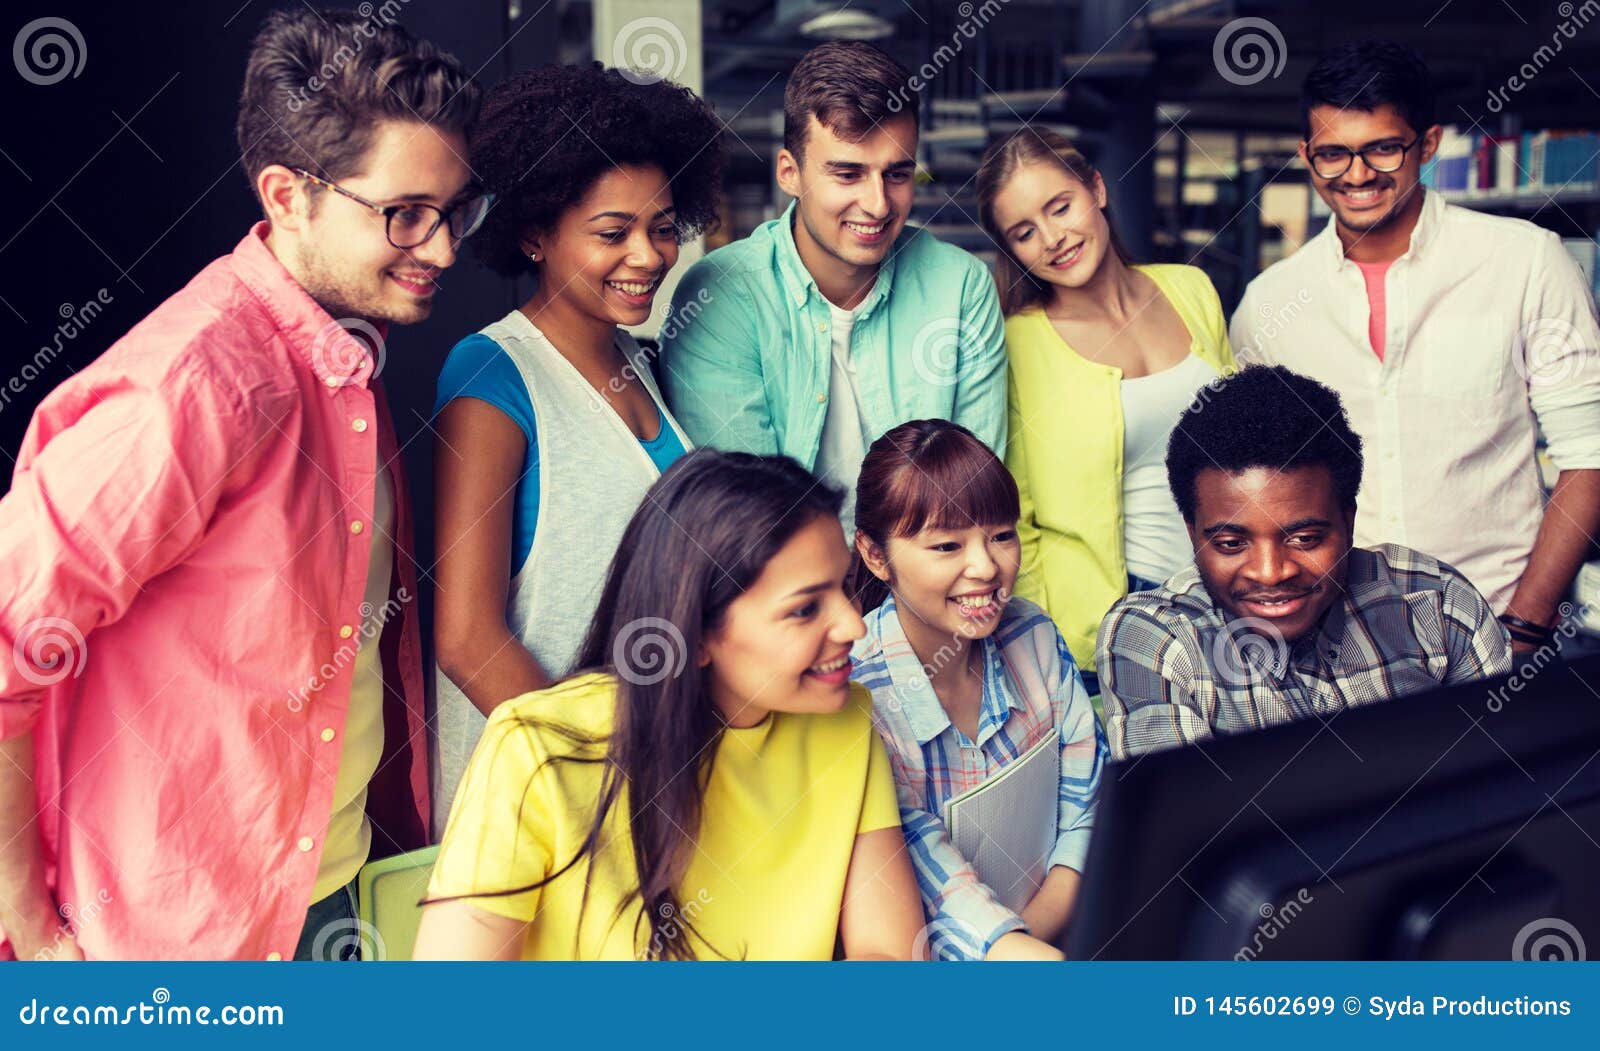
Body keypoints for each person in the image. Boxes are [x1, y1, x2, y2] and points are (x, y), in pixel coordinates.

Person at [0, 9, 485, 960]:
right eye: (404, 215)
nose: (443, 249)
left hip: (327, 899)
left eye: (457, 210)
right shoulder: (194, 383)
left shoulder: (343, 361)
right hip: (165, 946)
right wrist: (28, 927)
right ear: (287, 195)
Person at [414, 450, 925, 960]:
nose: (854, 626)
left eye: (844, 587)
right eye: (805, 609)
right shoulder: (535, 747)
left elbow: (889, 954)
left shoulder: (847, 722)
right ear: (694, 634)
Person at [1231, 40, 1600, 654]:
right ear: (1305, 156)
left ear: (1426, 144)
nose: (1357, 174)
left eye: (1382, 147)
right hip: (1333, 648)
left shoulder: (1526, 261)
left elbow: (1589, 455)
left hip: (1497, 629)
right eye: (1332, 154)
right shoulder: (1269, 306)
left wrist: (1526, 629)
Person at [430, 65, 723, 834]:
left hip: (647, 798)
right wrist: (602, 776)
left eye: (662, 227)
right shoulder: (492, 371)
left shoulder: (646, 365)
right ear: (534, 232)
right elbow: (466, 637)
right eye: (612, 232)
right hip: (545, 807)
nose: (649, 255)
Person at [658, 41, 1007, 526]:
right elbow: (746, 521)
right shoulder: (719, 296)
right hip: (783, 591)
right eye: (848, 174)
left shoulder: (960, 285)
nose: (879, 204)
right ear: (789, 173)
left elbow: (973, 501)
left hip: (928, 591)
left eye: (897, 174)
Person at [1097, 366, 1513, 760]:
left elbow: (1503, 780)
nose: (1270, 571)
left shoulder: (1437, 602)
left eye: (1304, 539)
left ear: (1348, 520)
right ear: (1193, 533)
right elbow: (1187, 832)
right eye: (1230, 543)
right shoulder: (1155, 640)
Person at [975, 127, 1236, 691]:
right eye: (1024, 232)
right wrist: (1047, 644)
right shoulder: (1018, 342)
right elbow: (1013, 515)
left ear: (1095, 189)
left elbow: (1247, 445)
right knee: (1134, 779)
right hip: (1110, 625)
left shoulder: (1191, 290)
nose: (1051, 238)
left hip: (1232, 596)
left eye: (1060, 207)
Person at [850, 420, 1105, 961]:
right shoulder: (858, 700)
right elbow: (932, 886)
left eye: (1001, 535)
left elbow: (1089, 807)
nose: (986, 567)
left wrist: (1030, 940)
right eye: (947, 545)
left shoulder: (1032, 635)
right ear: (876, 556)